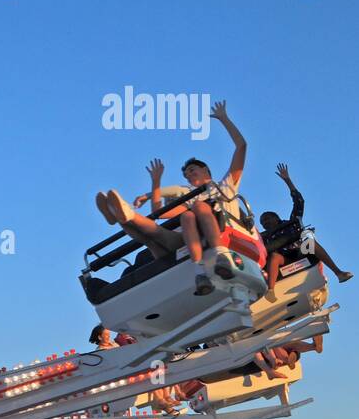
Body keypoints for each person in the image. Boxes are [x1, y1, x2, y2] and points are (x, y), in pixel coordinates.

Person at [97, 100, 248, 295]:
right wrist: (156, 182)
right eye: (186, 174)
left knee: (195, 211)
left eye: (192, 170)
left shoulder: (225, 185)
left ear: (205, 169)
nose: (189, 175)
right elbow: (159, 213)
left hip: (222, 231)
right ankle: (124, 217)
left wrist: (224, 119)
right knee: (156, 236)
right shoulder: (189, 198)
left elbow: (241, 146)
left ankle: (220, 255)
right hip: (186, 242)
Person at [261, 163, 351, 300]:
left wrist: (288, 181)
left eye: (267, 218)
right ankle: (271, 291)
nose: (265, 222)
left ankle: (339, 273)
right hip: (285, 259)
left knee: (310, 242)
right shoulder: (266, 237)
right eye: (263, 222)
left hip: (301, 253)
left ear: (276, 217)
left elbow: (299, 201)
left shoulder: (291, 223)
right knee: (273, 256)